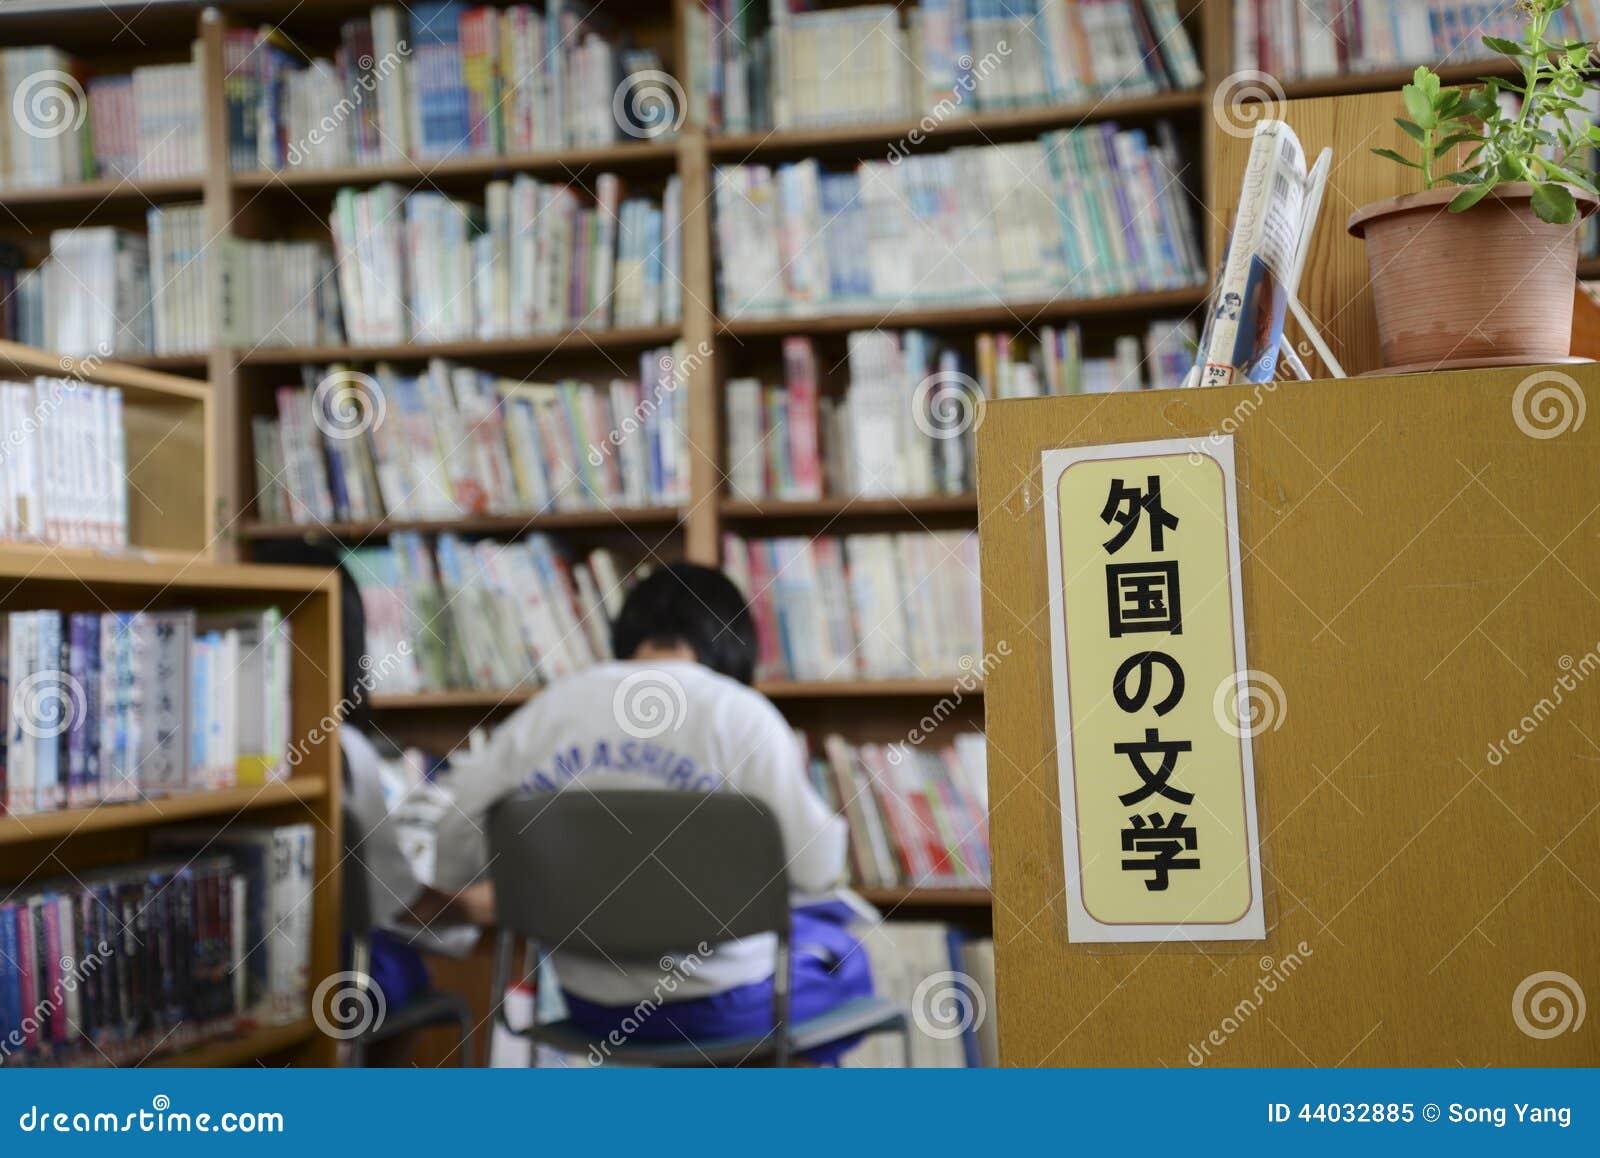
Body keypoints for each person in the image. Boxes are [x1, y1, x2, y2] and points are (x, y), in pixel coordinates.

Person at [429, 563, 872, 1062]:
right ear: (735, 644)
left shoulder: (547, 712)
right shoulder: (740, 715)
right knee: (845, 958)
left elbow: (453, 838)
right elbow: (817, 867)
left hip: (591, 1006)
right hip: (719, 1005)